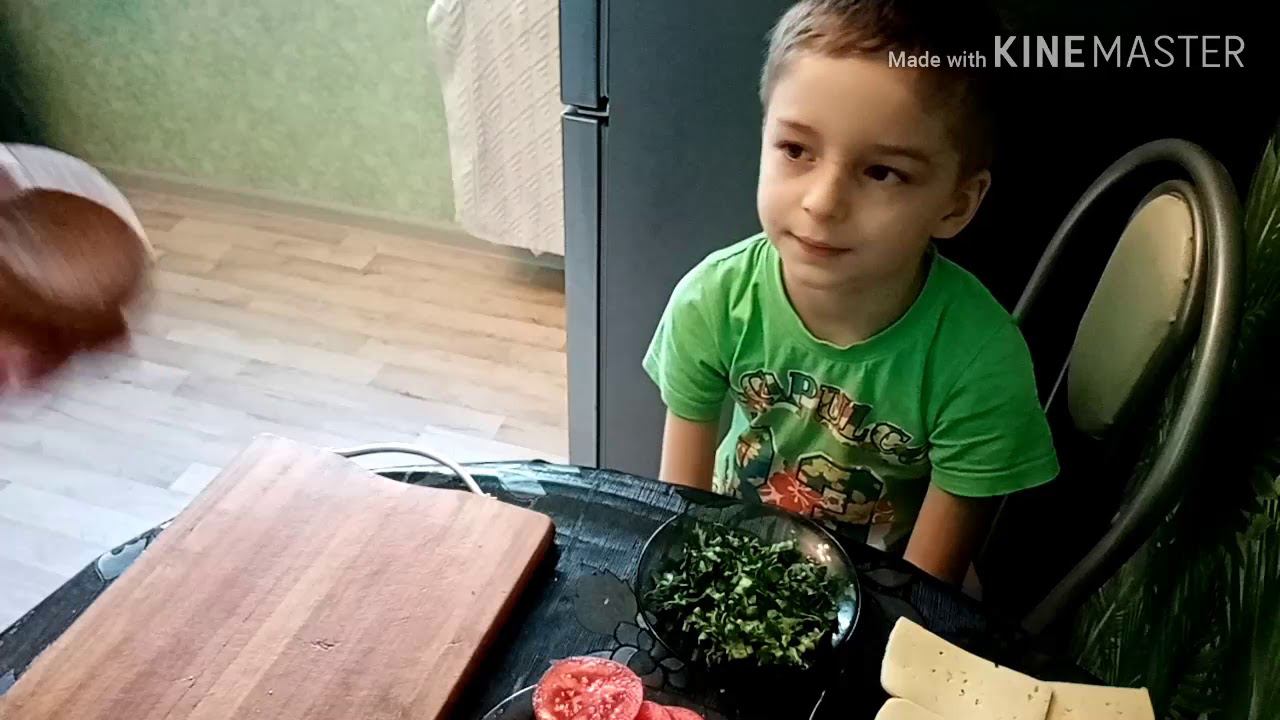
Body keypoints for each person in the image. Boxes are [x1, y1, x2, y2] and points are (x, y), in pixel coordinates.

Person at [643, 0, 1058, 584]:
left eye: (882, 172)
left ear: (956, 203)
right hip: (736, 553)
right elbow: (682, 518)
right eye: (795, 150)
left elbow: (924, 590)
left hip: (886, 584)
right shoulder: (711, 302)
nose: (822, 203)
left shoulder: (981, 366)